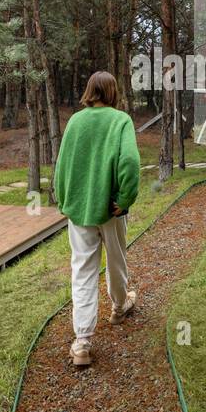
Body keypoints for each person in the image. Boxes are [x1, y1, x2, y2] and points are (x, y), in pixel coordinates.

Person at [52, 71, 141, 367]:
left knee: (82, 271)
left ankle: (82, 342)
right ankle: (119, 306)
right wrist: (125, 198)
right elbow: (129, 161)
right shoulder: (120, 120)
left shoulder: (76, 121)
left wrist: (63, 199)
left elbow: (62, 164)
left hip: (79, 209)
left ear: (90, 91)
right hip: (110, 209)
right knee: (116, 261)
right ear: (113, 92)